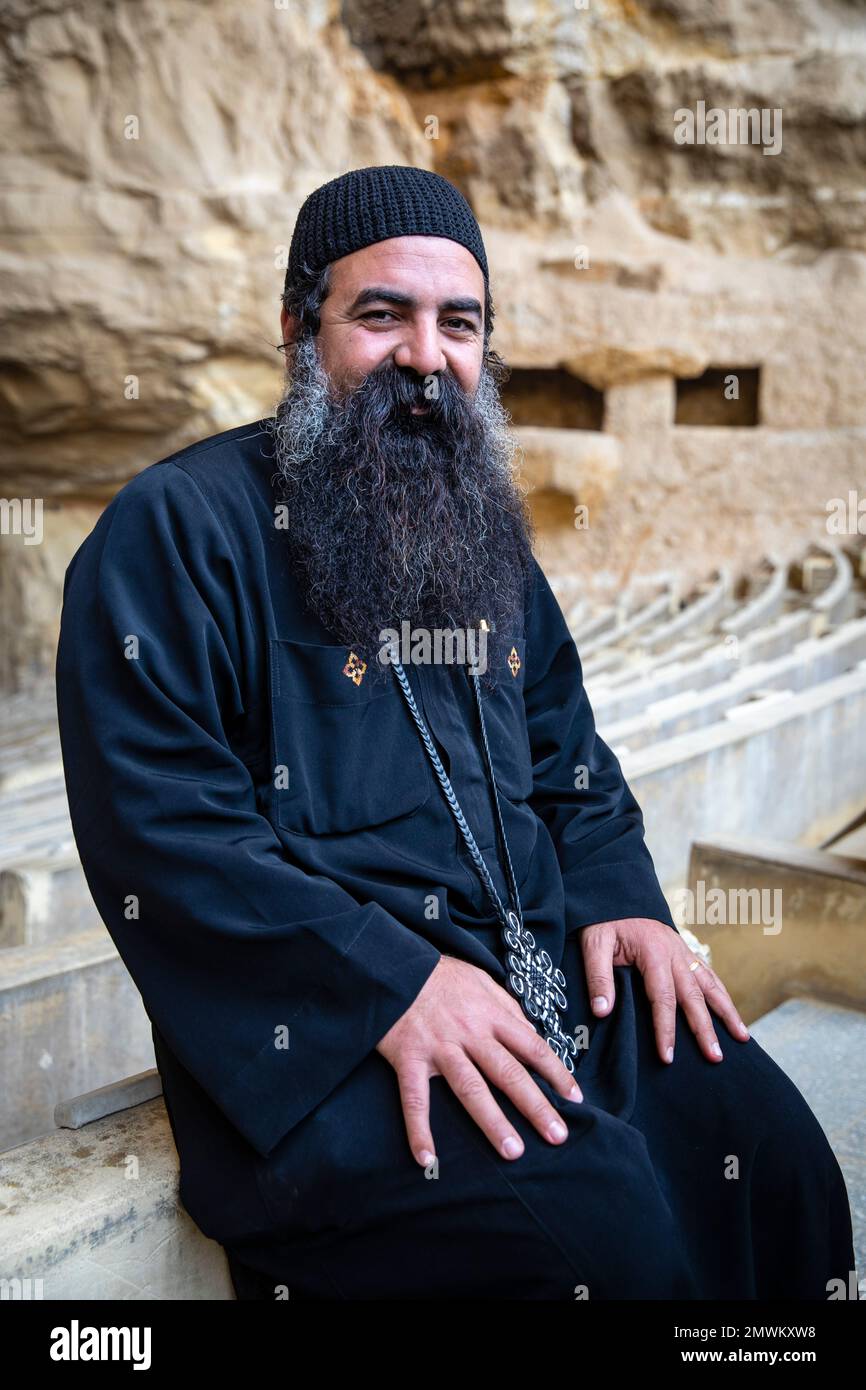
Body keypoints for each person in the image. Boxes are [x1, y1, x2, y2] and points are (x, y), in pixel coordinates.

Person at [55, 165, 855, 1301]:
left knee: (774, 1163)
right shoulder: (176, 532)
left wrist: (621, 889)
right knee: (603, 1248)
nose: (426, 356)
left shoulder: (477, 521)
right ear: (296, 328)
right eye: (381, 314)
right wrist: (390, 984)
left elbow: (565, 753)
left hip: (539, 980)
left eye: (459, 322)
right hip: (341, 1043)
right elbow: (166, 838)